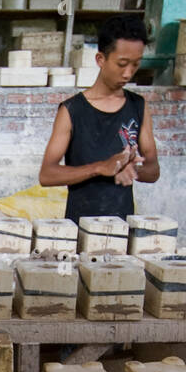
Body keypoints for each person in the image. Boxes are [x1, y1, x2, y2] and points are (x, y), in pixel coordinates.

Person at [38, 14, 160, 222]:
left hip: (122, 227)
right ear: (100, 59)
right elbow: (47, 175)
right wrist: (100, 168)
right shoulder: (72, 110)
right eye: (122, 64)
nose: (128, 73)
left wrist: (131, 169)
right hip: (79, 229)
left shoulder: (138, 107)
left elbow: (153, 170)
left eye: (135, 64)